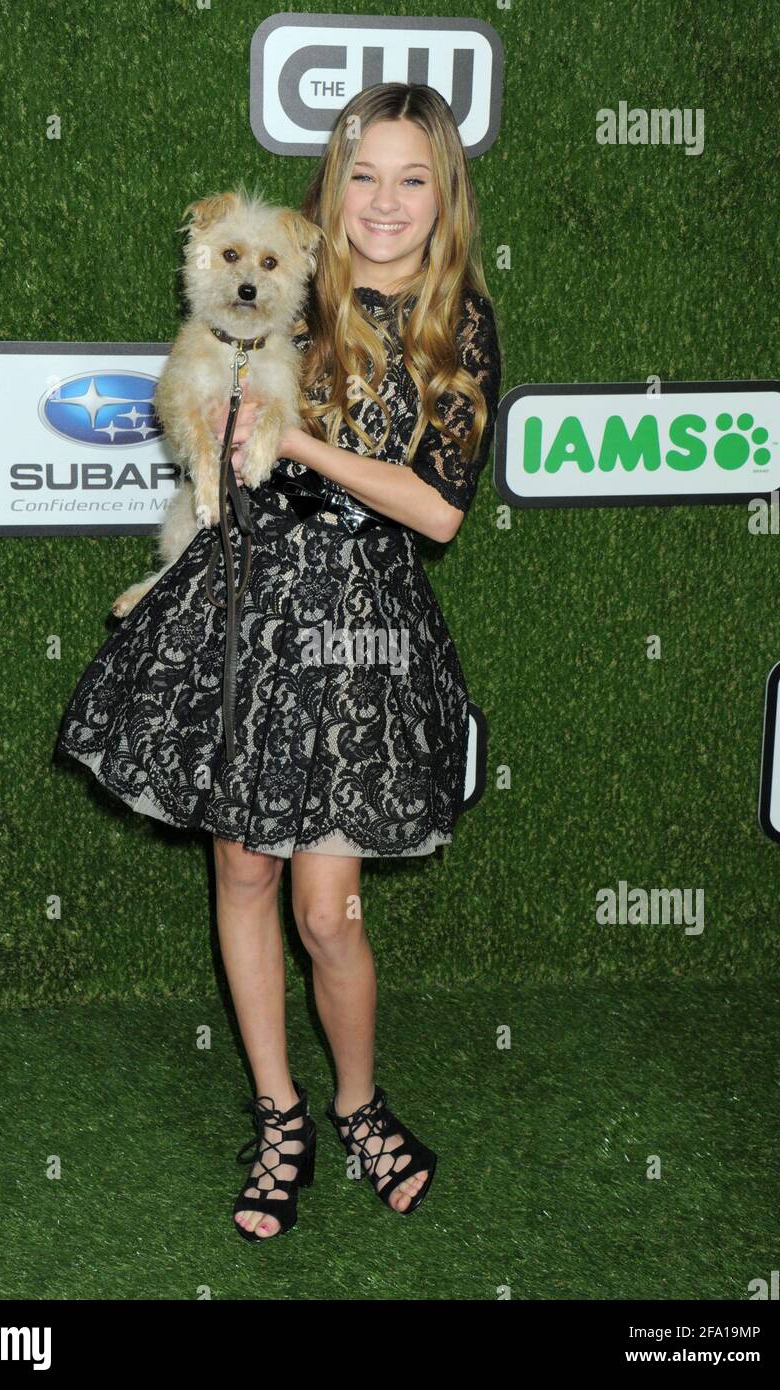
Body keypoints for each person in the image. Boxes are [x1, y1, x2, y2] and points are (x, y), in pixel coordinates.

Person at [54, 81, 502, 1242]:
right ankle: (279, 1112)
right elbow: (202, 380)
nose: (385, 201)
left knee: (327, 910)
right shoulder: (288, 285)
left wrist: (297, 440)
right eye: (364, 174)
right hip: (238, 605)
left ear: (443, 193)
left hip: (358, 630)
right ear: (332, 186)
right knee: (243, 873)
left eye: (412, 178)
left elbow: (440, 511)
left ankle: (359, 1102)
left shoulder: (457, 323)